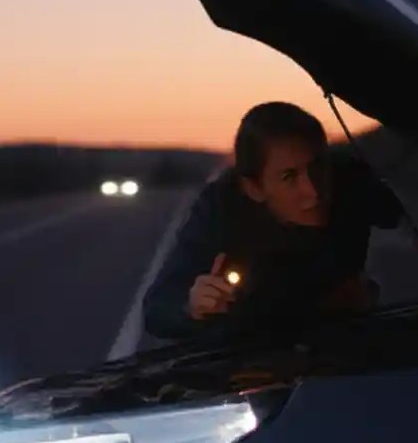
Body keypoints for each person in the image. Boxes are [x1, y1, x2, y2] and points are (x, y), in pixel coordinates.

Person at [142, 101, 404, 341]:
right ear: (254, 188)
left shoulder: (351, 181)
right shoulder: (221, 211)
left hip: (342, 339)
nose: (312, 191)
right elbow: (158, 309)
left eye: (318, 167)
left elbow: (409, 218)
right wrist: (192, 306)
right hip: (247, 351)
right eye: (289, 177)